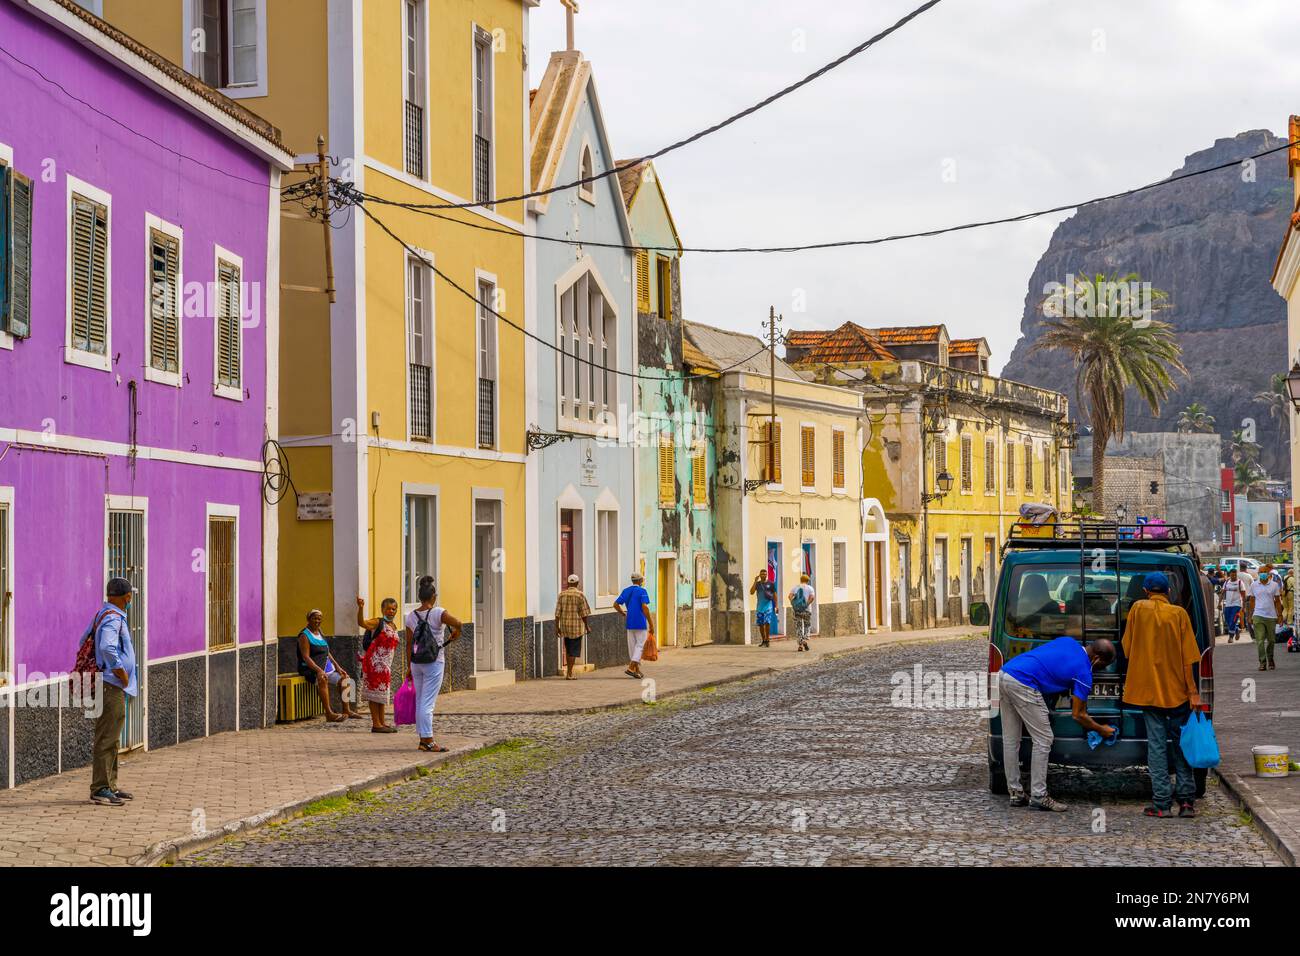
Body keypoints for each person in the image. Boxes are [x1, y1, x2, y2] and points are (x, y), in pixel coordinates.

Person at [998, 635, 1116, 812]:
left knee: (1011, 739)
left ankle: (1015, 792)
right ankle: (1039, 796)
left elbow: (1052, 664)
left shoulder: (1068, 641)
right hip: (1024, 683)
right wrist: (1101, 729)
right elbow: (1078, 715)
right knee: (1044, 739)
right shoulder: (1083, 671)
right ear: (1097, 658)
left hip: (1005, 674)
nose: (1101, 670)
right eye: (1102, 666)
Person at [1121, 571, 1203, 818]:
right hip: (1178, 692)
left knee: (1156, 747)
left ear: (1146, 591)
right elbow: (1189, 658)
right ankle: (1187, 802)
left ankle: (1161, 803)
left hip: (1149, 693)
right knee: (1181, 745)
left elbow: (1126, 648)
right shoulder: (1179, 614)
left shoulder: (1137, 609)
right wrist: (1193, 692)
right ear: (1168, 591)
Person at [89, 577, 138, 806]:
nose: (130, 599)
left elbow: (84, 640)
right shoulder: (112, 618)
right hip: (111, 684)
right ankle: (100, 788)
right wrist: (120, 671)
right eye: (129, 596)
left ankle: (110, 785)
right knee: (107, 738)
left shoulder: (103, 614)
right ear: (125, 597)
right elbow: (106, 647)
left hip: (111, 684)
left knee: (112, 738)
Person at [404, 576, 463, 752]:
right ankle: (428, 740)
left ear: (420, 597)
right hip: (434, 661)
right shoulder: (438, 613)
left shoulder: (410, 617)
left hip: (416, 662)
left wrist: (408, 666)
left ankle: (423, 739)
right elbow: (458, 622)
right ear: (433, 597)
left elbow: (408, 644)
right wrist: (456, 633)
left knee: (421, 700)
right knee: (428, 702)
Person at [297, 609, 365, 722]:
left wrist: (338, 667)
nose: (317, 621)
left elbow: (327, 652)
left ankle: (346, 710)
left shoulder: (320, 633)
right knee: (322, 679)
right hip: (310, 668)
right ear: (308, 619)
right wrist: (319, 670)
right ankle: (329, 713)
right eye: (314, 618)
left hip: (326, 667)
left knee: (346, 680)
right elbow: (306, 657)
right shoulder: (304, 635)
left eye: (319, 619)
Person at [356, 596, 401, 732]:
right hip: (375, 664)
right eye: (388, 609)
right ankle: (376, 724)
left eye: (394, 609)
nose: (391, 611)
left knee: (381, 694)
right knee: (374, 694)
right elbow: (362, 623)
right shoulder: (378, 622)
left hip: (385, 666)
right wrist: (361, 608)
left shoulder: (393, 626)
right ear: (382, 609)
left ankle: (382, 722)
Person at [613, 572, 654, 679]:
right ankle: (631, 667)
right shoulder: (642, 591)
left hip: (630, 621)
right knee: (640, 646)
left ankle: (636, 670)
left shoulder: (626, 591)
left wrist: (623, 613)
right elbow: (645, 607)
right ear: (640, 581)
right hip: (640, 621)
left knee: (632, 647)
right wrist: (651, 623)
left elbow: (615, 604)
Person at [554, 574, 592, 680]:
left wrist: (557, 627)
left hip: (565, 626)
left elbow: (557, 613)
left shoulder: (562, 595)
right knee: (573, 651)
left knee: (568, 648)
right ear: (577, 583)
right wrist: (587, 626)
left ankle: (569, 673)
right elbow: (584, 613)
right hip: (576, 627)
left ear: (568, 583)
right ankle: (569, 674)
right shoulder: (580, 595)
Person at [1246, 563, 1282, 672]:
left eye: (1264, 572)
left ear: (1268, 573)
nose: (1262, 574)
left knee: (1271, 640)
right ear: (1258, 574)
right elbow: (1252, 600)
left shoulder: (1274, 585)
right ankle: (1262, 662)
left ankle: (1270, 658)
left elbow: (1277, 601)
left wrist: (1280, 615)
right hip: (1258, 615)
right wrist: (1250, 615)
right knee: (1260, 640)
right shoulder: (1254, 585)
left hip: (1271, 616)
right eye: (1260, 572)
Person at [749, 569, 777, 647]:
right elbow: (751, 592)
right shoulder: (757, 584)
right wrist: (755, 581)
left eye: (765, 574)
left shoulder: (771, 584)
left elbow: (775, 595)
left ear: (766, 575)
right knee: (761, 624)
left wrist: (776, 606)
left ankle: (768, 640)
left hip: (769, 607)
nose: (763, 575)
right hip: (759, 607)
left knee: (767, 623)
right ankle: (763, 640)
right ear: (760, 575)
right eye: (762, 574)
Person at [789, 574, 815, 651]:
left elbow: (789, 596)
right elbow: (812, 598)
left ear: (800, 580)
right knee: (807, 625)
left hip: (797, 610)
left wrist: (793, 604)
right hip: (806, 610)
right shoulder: (810, 588)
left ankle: (800, 645)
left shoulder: (795, 587)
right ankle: (804, 639)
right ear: (807, 581)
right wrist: (806, 604)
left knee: (799, 627)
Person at [1221, 568, 1245, 643]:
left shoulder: (1240, 582)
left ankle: (1231, 637)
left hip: (1237, 605)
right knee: (1228, 620)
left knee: (1233, 620)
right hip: (1228, 605)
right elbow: (1222, 592)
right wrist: (1219, 603)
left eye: (1235, 575)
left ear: (1236, 574)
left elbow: (1244, 595)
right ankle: (1236, 629)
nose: (1234, 576)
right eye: (1232, 575)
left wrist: (1243, 606)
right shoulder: (1227, 582)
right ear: (1230, 575)